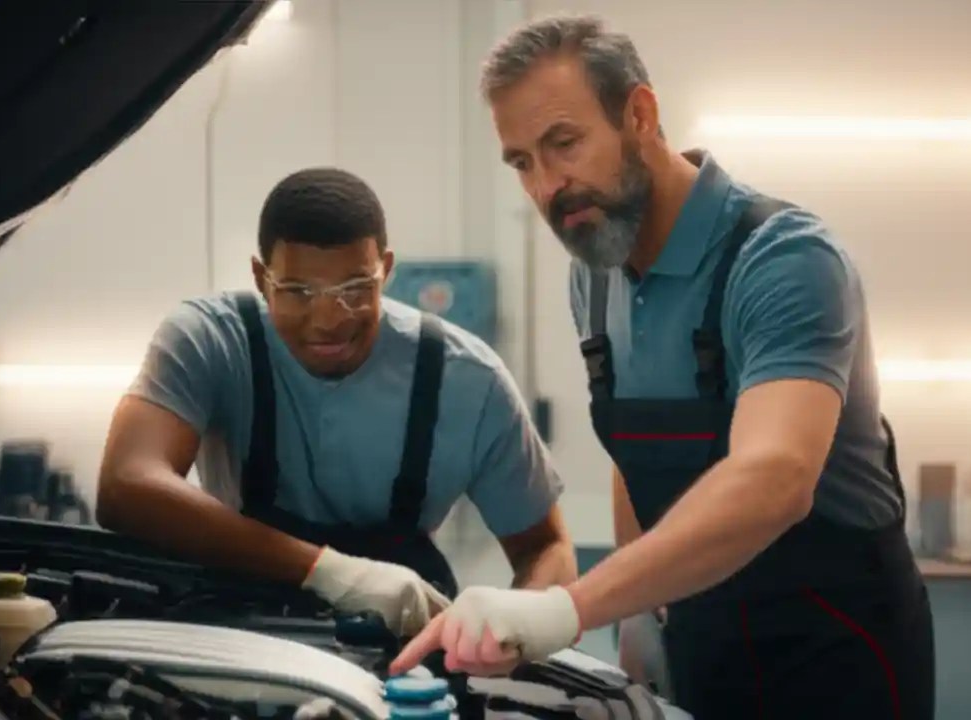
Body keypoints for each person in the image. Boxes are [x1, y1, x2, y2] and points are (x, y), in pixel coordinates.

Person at [390, 15, 935, 719]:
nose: (549, 186)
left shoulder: (784, 260)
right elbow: (636, 455)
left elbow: (774, 479)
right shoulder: (595, 272)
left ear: (639, 114)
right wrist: (642, 616)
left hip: (837, 647)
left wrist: (570, 608)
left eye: (564, 143)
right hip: (704, 640)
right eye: (522, 162)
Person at [97, 167, 576, 639]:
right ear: (261, 278)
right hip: (239, 641)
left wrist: (511, 632)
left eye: (354, 289)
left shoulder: (470, 380)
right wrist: (334, 574)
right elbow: (125, 487)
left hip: (400, 662)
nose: (328, 319)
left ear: (385, 271)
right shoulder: (211, 340)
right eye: (298, 291)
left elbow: (547, 547)